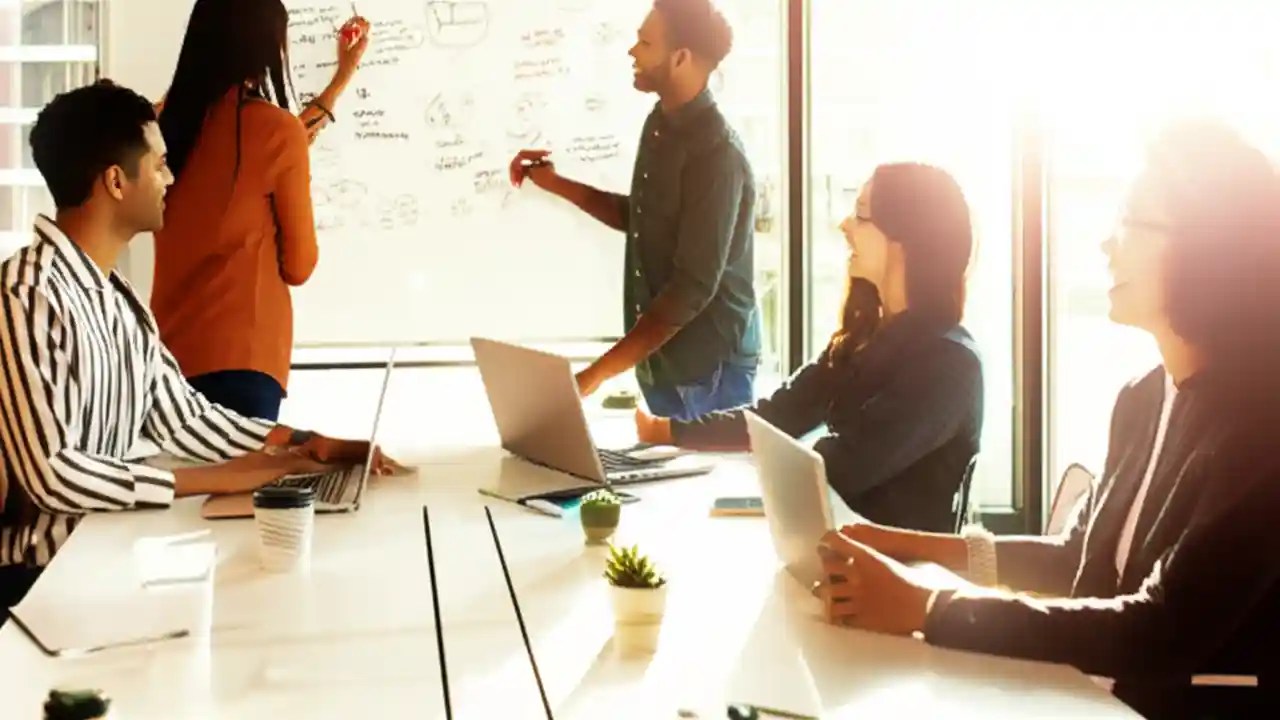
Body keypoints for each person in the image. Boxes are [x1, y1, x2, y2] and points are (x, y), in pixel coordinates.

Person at [815, 122, 1280, 718]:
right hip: (1085, 700)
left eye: (1131, 225)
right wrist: (893, 545)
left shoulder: (1260, 426)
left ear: (1209, 248)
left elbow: (1163, 628)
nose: (1108, 245)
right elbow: (1072, 559)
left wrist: (930, 608)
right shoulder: (1142, 399)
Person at [0, 81, 393, 611]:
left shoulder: (117, 299)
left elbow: (184, 418)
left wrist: (303, 443)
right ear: (117, 181)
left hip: (104, 560)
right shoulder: (30, 292)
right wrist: (214, 479)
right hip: (39, 582)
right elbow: (51, 474)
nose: (170, 177)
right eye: (160, 165)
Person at [638, 163, 983, 532]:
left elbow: (845, 466)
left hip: (895, 575)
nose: (844, 225)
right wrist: (667, 431)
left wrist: (740, 471)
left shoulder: (948, 364)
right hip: (839, 550)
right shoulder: (868, 337)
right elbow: (778, 415)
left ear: (905, 241)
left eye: (861, 215)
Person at [507, 0, 760, 421]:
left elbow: (691, 287)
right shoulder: (659, 124)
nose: (632, 52)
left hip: (709, 371)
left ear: (680, 58)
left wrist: (592, 377)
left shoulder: (718, 155)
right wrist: (554, 182)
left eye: (645, 42)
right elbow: (641, 219)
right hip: (664, 364)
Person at [150, 0, 370, 421]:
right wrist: (343, 76)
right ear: (268, 48)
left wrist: (339, 80)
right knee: (239, 485)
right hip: (245, 359)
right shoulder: (273, 131)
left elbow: (269, 144)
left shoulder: (162, 127)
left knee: (192, 484)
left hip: (167, 356)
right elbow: (299, 266)